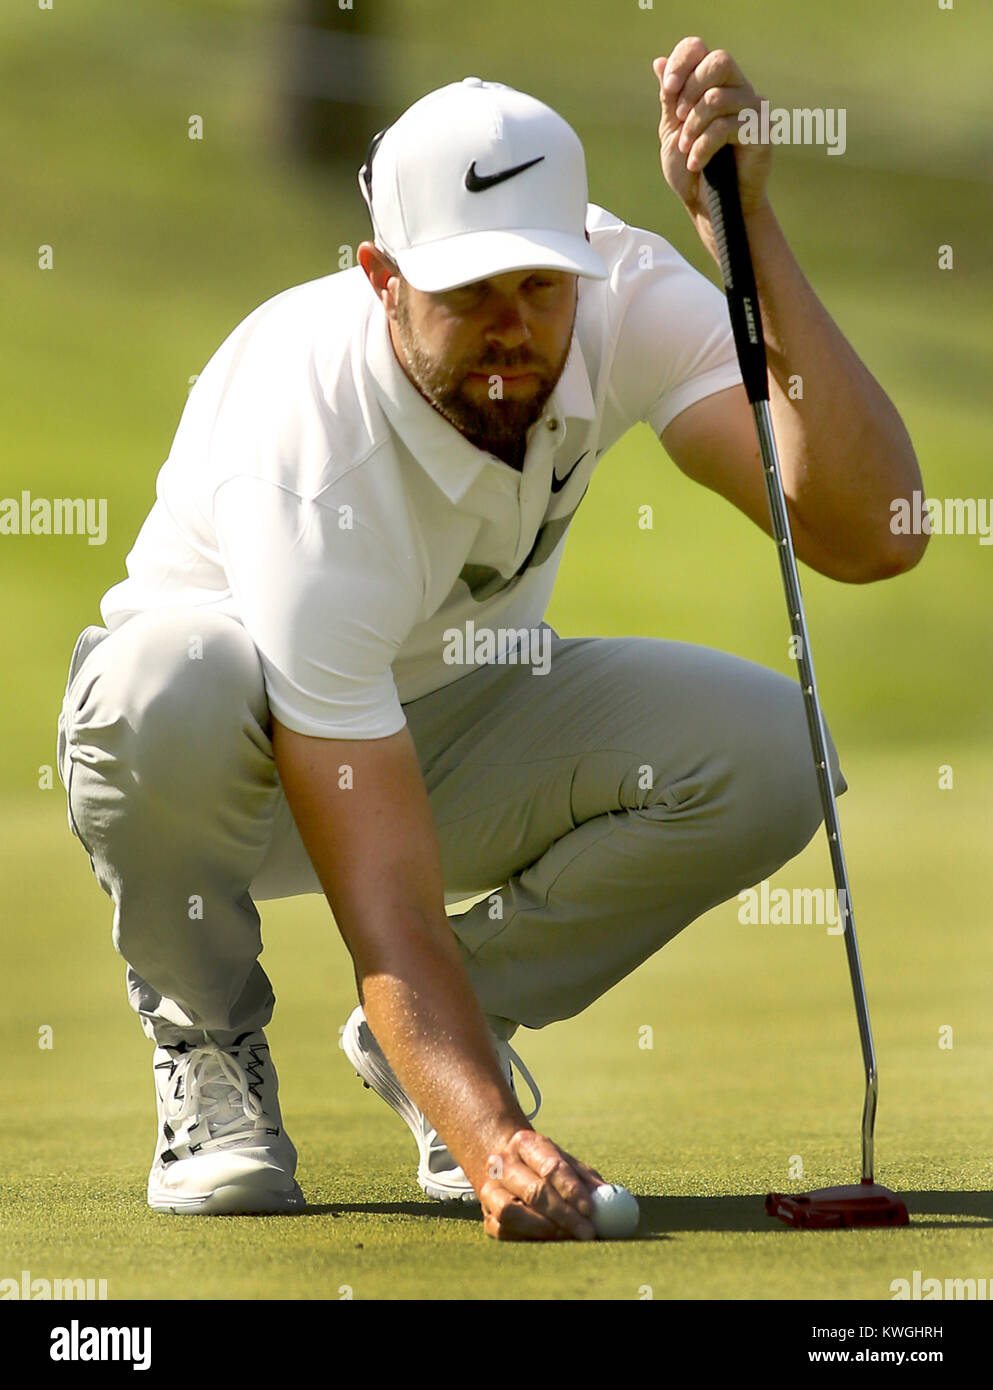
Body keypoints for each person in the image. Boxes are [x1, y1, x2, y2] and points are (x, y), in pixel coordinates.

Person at [55, 40, 926, 1243]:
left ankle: (451, 1019)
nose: (513, 330)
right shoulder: (310, 444)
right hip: (217, 766)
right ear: (380, 275)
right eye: (469, 293)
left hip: (451, 721)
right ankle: (205, 1035)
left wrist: (751, 249)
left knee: (774, 748)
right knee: (176, 677)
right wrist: (488, 1139)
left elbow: (873, 530)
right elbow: (385, 890)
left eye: (539, 285)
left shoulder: (621, 290)